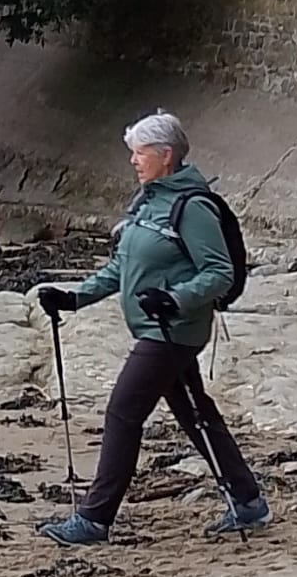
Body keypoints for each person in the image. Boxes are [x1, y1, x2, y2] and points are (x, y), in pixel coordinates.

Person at [34, 110, 269, 546]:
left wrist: (175, 298)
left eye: (140, 152)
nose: (133, 161)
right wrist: (73, 298)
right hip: (157, 330)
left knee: (123, 413)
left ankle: (94, 519)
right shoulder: (148, 201)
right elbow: (123, 266)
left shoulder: (192, 206)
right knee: (196, 415)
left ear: (165, 156)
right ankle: (248, 501)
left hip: (171, 332)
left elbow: (219, 273)